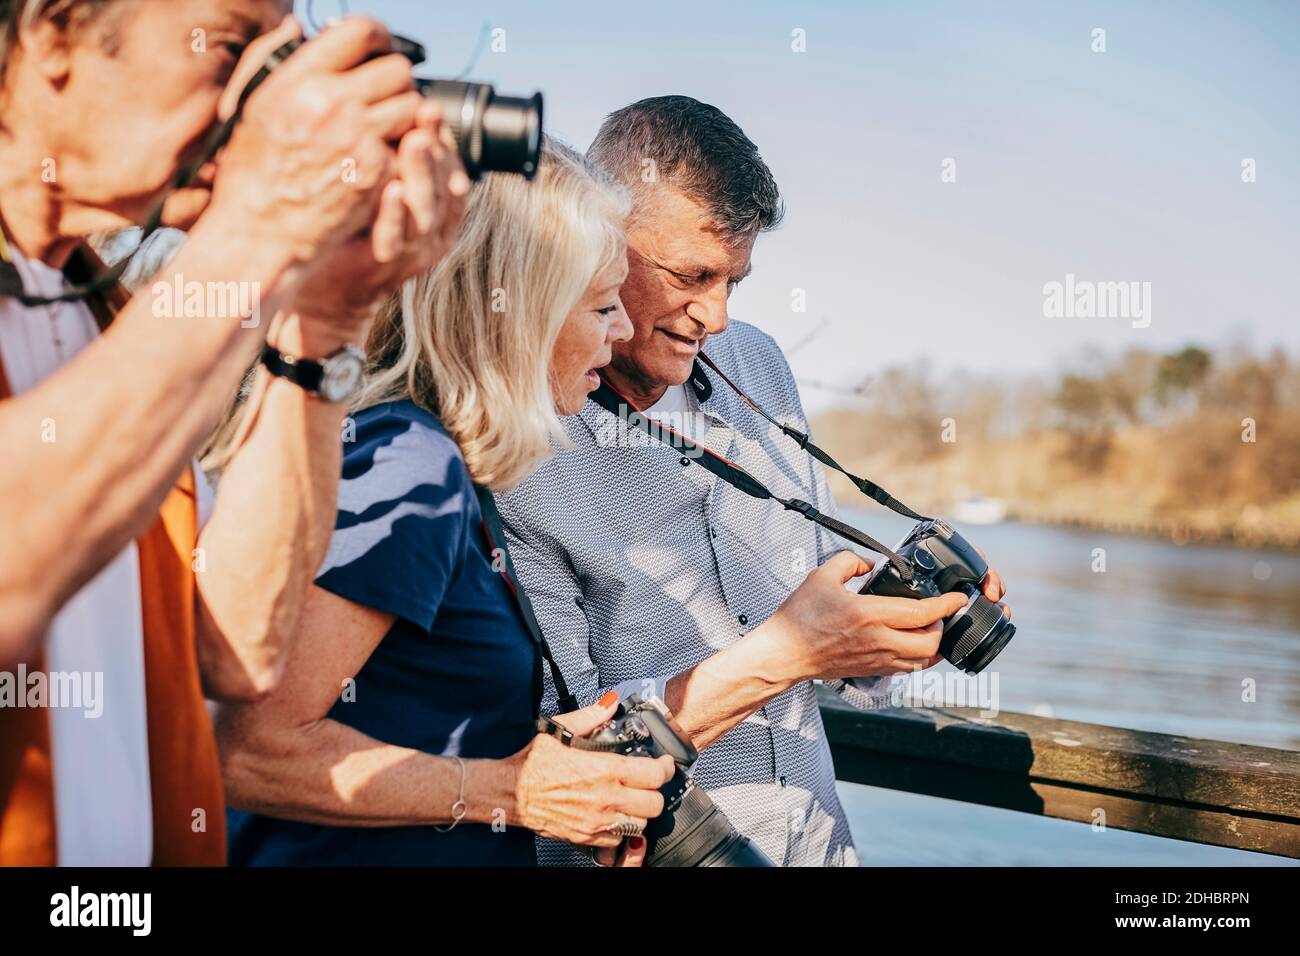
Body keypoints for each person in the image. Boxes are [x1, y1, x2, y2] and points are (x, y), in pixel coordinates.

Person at [0, 1, 466, 865]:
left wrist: (326, 325)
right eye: (232, 49)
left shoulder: (100, 317)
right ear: (52, 35)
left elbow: (235, 647)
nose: (264, 102)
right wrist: (262, 225)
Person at [497, 96, 1010, 866]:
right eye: (692, 275)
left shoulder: (762, 365)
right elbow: (563, 755)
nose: (717, 316)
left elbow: (824, 625)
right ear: (597, 235)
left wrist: (884, 637)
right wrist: (791, 651)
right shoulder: (514, 440)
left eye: (733, 279)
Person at [216, 141, 676, 867]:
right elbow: (249, 751)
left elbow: (403, 712)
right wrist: (514, 792)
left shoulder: (438, 460)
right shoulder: (408, 464)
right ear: (518, 314)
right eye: (601, 305)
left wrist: (564, 779)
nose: (621, 331)